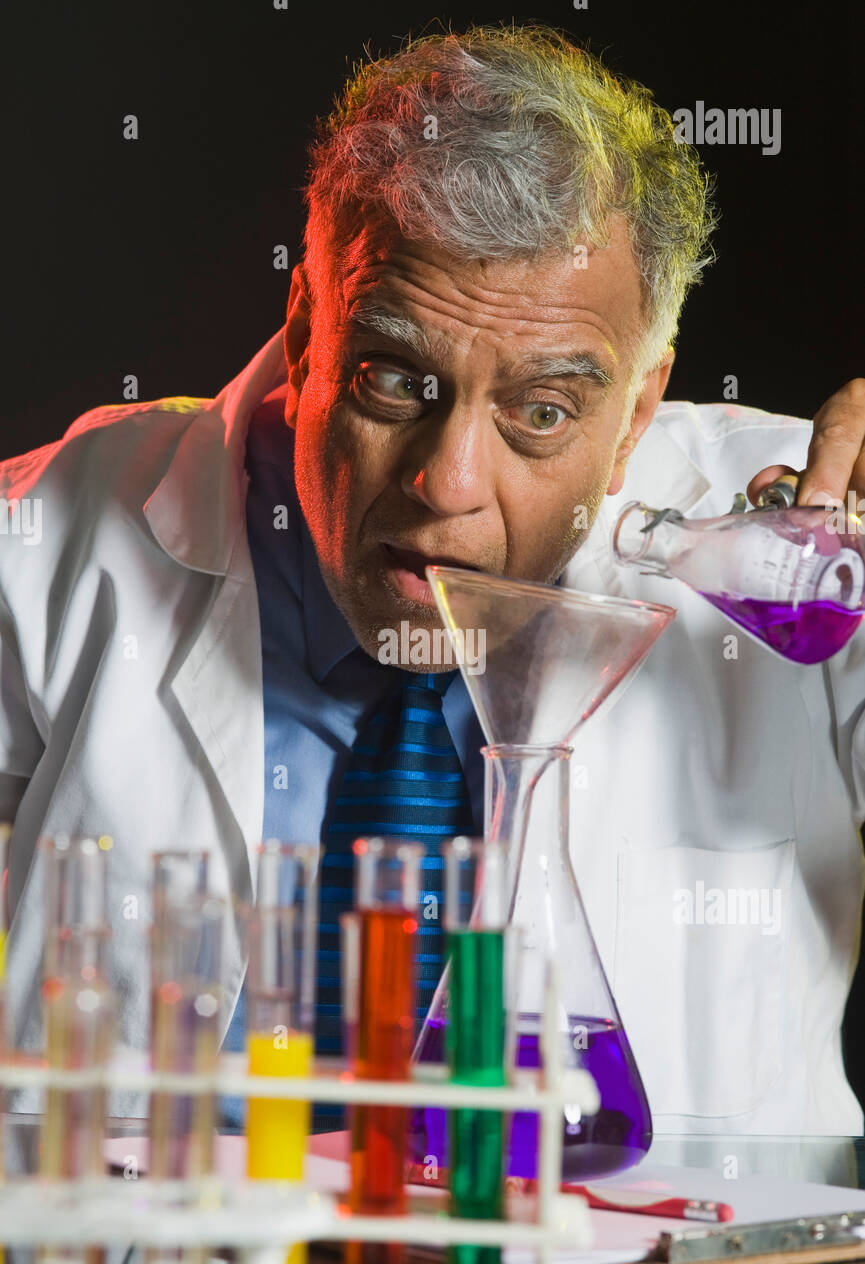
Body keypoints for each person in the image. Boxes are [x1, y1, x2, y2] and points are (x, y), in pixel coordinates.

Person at [3, 26, 865, 1142]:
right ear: (308, 331)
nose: (445, 482)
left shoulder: (798, 552)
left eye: (542, 412)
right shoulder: (42, 547)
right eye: (393, 378)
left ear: (636, 415)